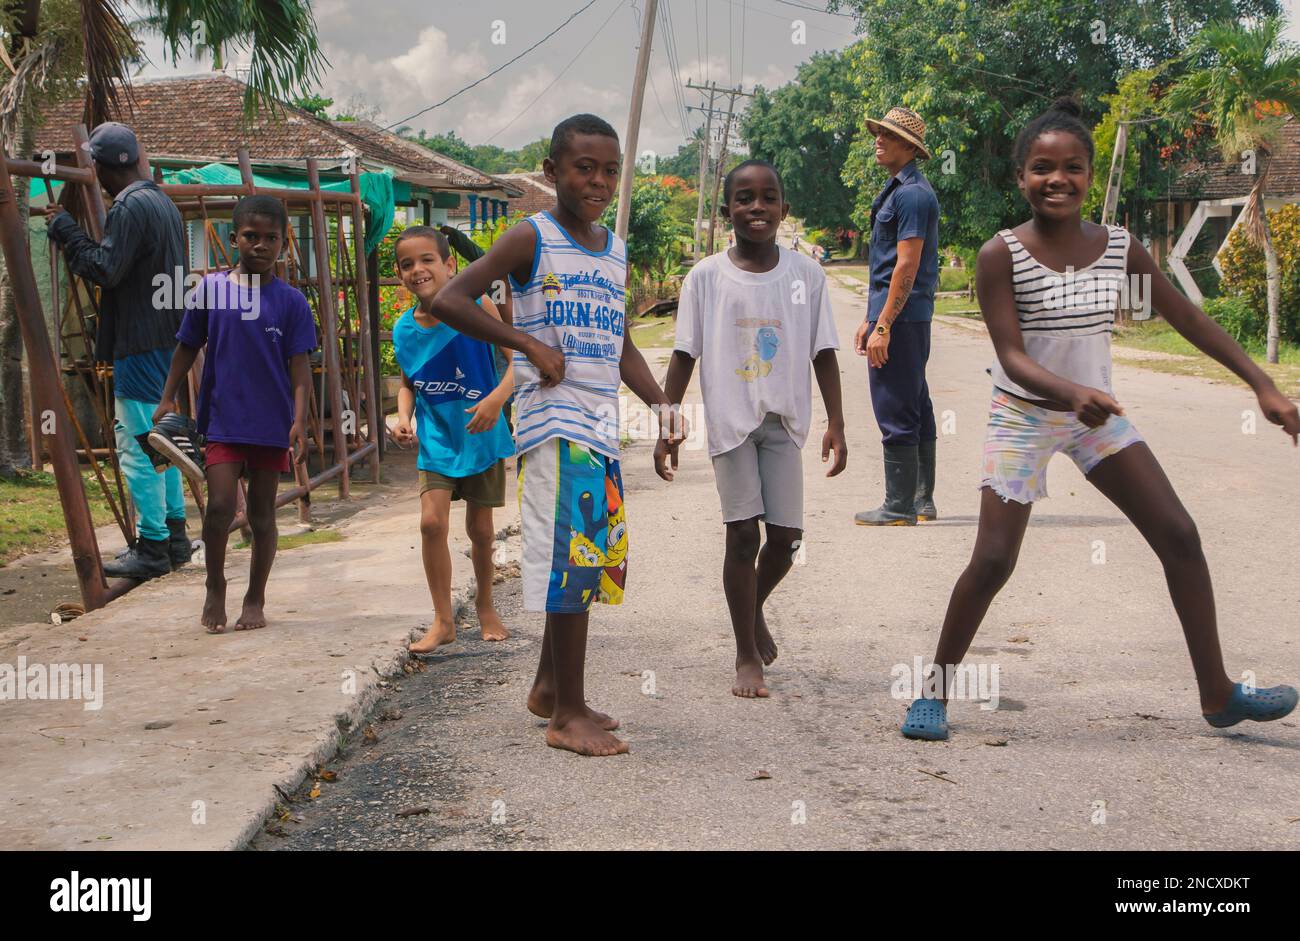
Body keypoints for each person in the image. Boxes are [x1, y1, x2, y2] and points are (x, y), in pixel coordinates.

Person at [900, 99, 1300, 742]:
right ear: (1020, 178)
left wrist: (1262, 383)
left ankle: (1218, 693)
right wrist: (1068, 391)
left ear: (1088, 175)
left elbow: (1185, 318)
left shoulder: (1118, 250)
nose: (1057, 179)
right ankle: (935, 692)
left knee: (1179, 534)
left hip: (1094, 417)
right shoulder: (1000, 254)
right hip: (1024, 415)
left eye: (1073, 167)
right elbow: (1010, 355)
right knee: (995, 559)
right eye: (1041, 168)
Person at [431, 113, 684, 757]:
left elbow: (617, 339)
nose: (598, 181)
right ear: (552, 173)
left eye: (609, 170)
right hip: (554, 424)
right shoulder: (530, 238)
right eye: (583, 168)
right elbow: (451, 300)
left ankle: (550, 687)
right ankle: (567, 716)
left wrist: (660, 404)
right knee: (570, 564)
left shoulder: (615, 248)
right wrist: (526, 345)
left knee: (592, 561)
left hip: (598, 427)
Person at [656, 159, 847, 699]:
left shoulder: (806, 276)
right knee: (743, 534)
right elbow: (684, 354)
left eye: (768, 198)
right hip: (732, 422)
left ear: (784, 209)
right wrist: (667, 425)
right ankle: (745, 652)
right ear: (726, 213)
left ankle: (752, 609)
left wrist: (837, 422)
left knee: (785, 539)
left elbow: (824, 351)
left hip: (784, 421)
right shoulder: (706, 277)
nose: (757, 208)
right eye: (744, 199)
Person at [152, 195, 315, 633]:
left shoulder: (292, 302)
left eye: (271, 238)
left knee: (263, 514)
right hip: (222, 419)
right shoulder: (211, 290)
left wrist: (300, 420)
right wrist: (168, 399)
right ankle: (215, 585)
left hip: (271, 423)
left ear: (284, 244)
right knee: (220, 505)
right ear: (233, 239)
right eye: (250, 236)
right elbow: (187, 346)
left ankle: (255, 597)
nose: (260, 245)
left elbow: (300, 368)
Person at [44, 122, 192, 579]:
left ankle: (151, 545)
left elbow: (106, 269)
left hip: (140, 338)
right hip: (164, 336)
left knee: (138, 444)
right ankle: (176, 536)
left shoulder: (128, 207)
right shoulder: (161, 201)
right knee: (160, 440)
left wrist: (68, 232)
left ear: (103, 168)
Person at [390, 227, 514, 651]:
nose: (417, 270)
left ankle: (485, 606)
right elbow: (409, 383)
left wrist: (496, 400)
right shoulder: (403, 329)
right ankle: (443, 620)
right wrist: (402, 417)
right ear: (399, 274)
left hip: (483, 436)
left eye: (427, 260)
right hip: (437, 439)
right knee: (430, 524)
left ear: (449, 265)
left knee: (481, 530)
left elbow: (518, 362)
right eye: (407, 264)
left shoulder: (477, 305)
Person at [852, 107, 941, 526]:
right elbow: (888, 269)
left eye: (887, 135)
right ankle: (921, 501)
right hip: (900, 315)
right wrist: (872, 317)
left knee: (895, 405)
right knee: (915, 400)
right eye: (877, 132)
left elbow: (906, 266)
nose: (878, 139)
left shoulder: (912, 195)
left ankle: (899, 505)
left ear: (910, 147)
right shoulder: (899, 191)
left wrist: (884, 324)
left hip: (902, 319)